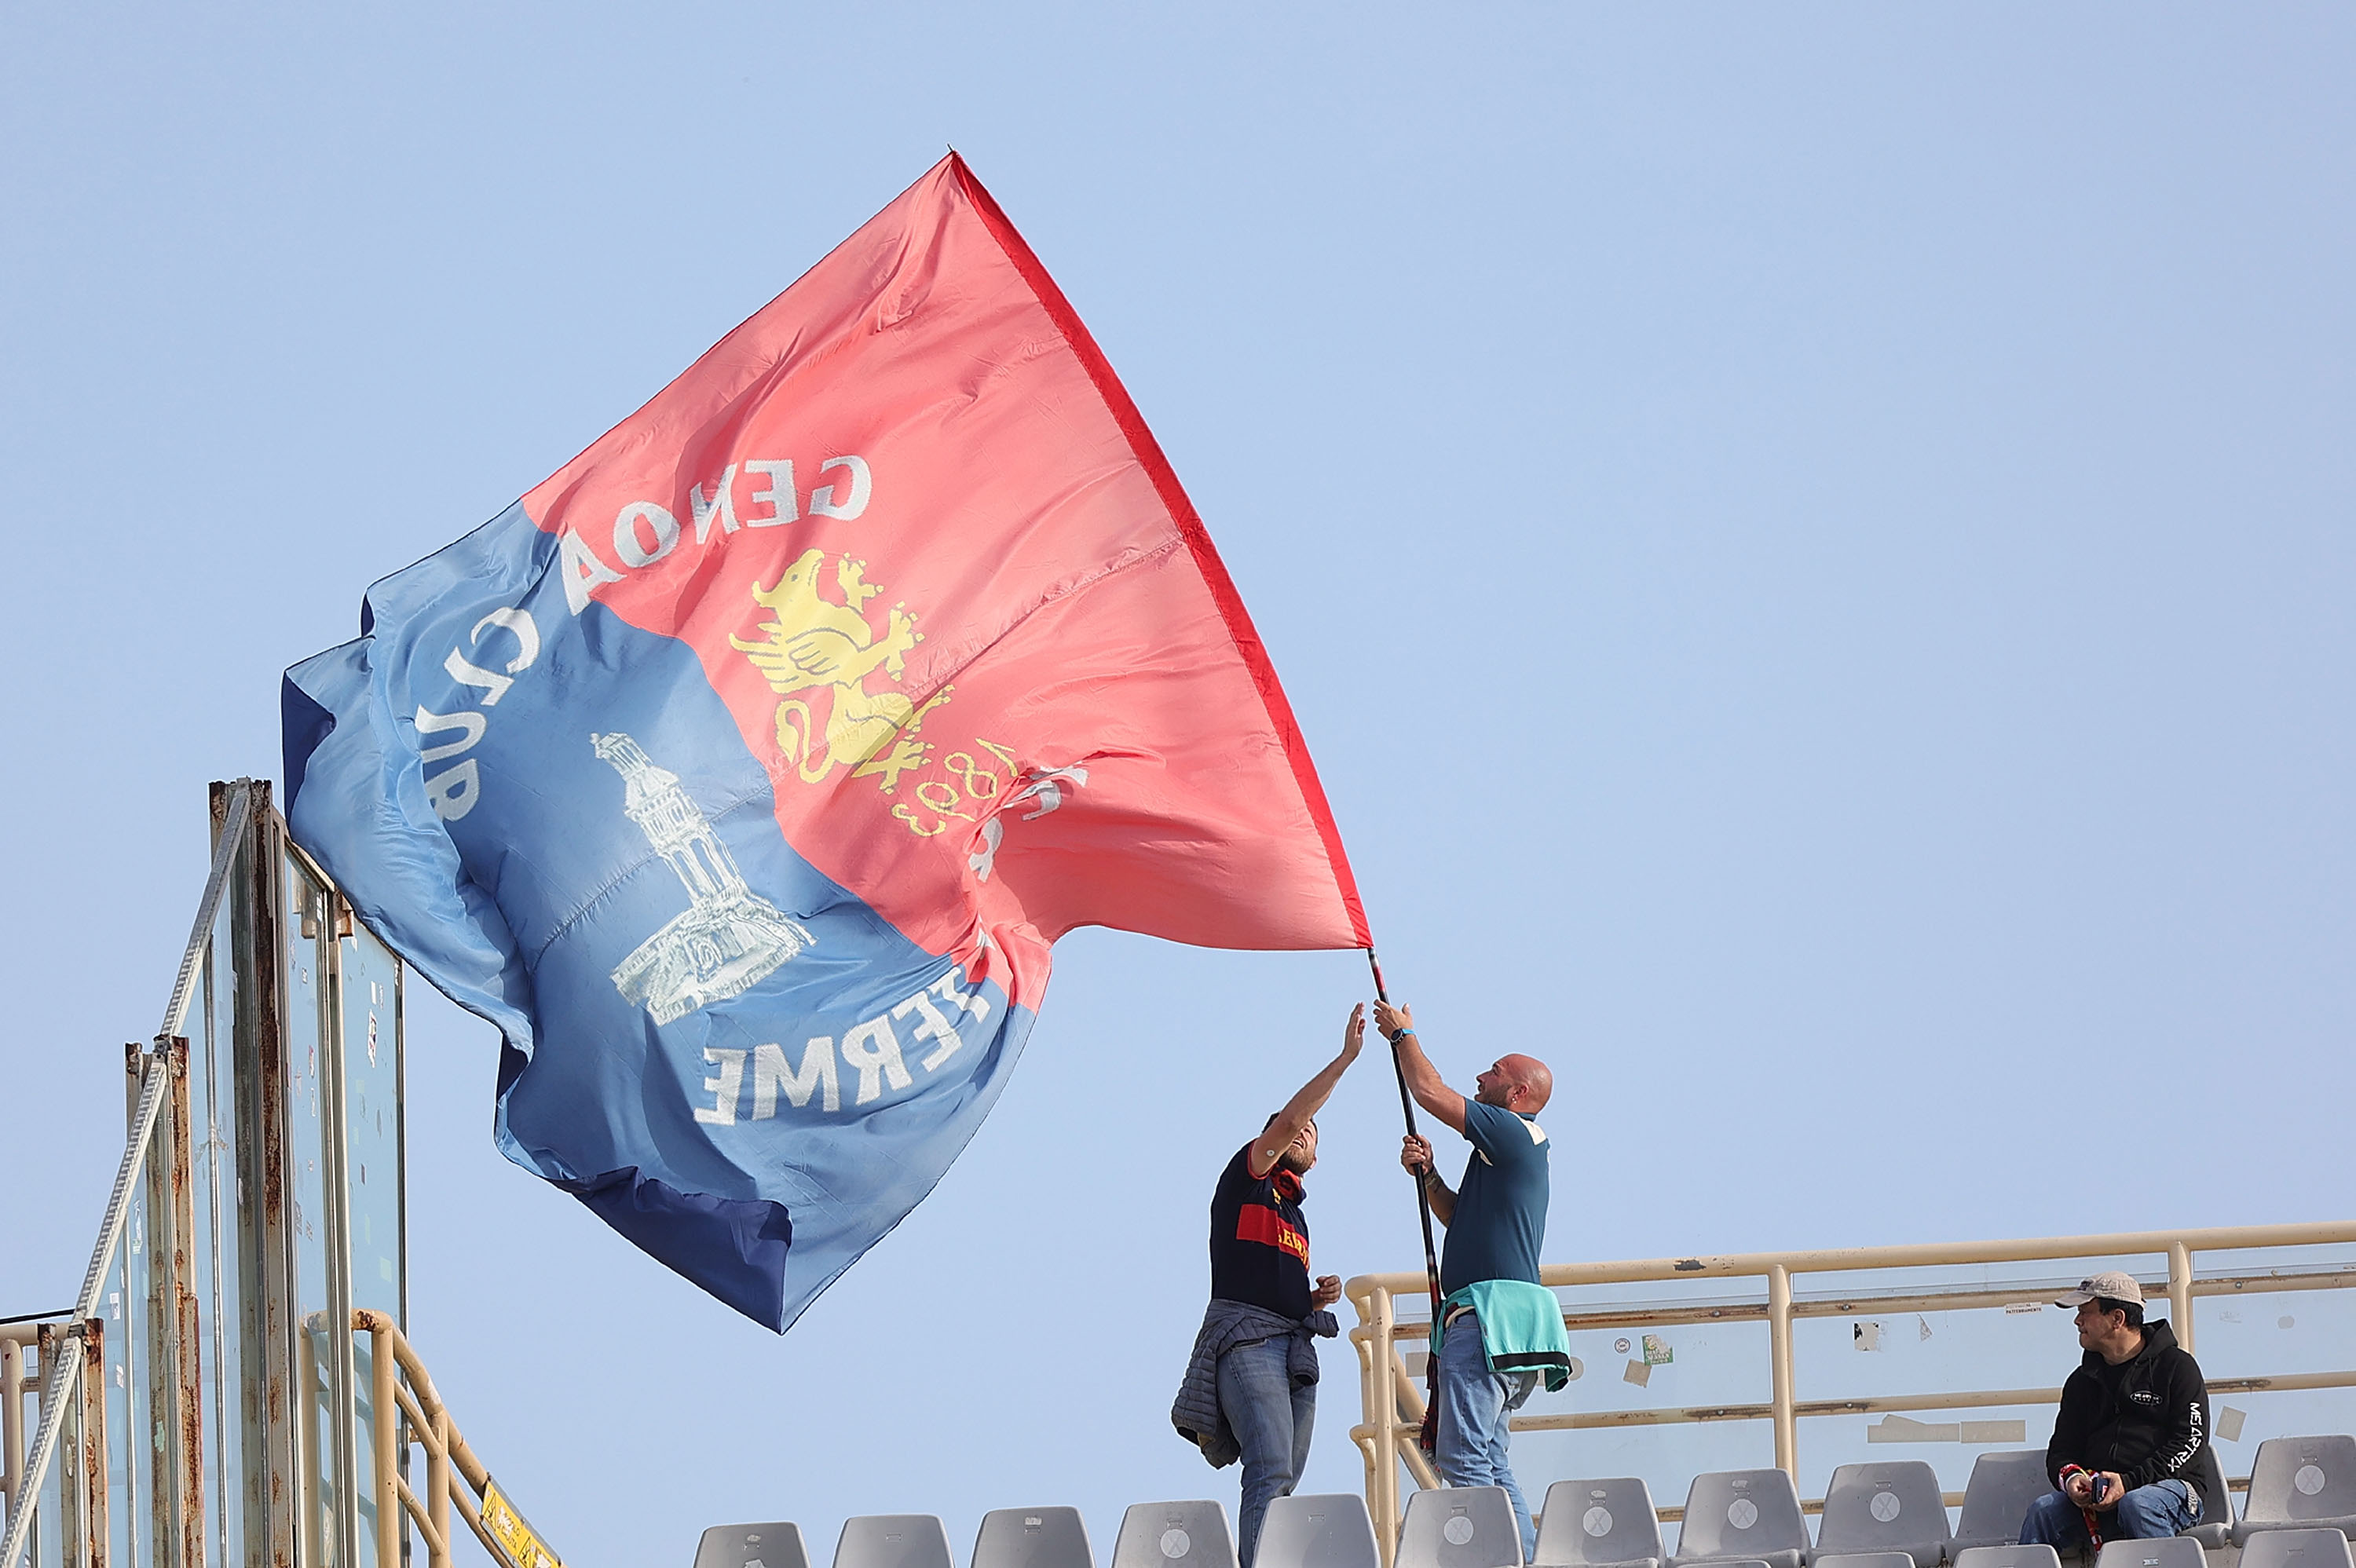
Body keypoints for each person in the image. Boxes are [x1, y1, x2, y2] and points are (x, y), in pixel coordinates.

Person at [1171, 1005, 1366, 1568]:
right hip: (1251, 1342)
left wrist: (1311, 1299)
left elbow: (1263, 1277)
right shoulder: (1247, 1176)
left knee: (1285, 1476)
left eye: (1313, 1131)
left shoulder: (1295, 1213)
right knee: (1271, 1469)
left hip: (1292, 1343)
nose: (1304, 1130)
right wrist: (1346, 1059)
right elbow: (1287, 1123)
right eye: (1295, 1124)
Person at [1383, 1000, 1568, 1561]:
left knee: (1464, 1460)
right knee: (1490, 1457)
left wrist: (1402, 1034)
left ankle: (1488, 1557)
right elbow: (1458, 1216)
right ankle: (1521, 1556)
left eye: (1493, 1072)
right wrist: (1429, 1174)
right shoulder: (1512, 1151)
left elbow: (1429, 1091)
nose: (1481, 1077)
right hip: (1517, 1328)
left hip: (1486, 1321)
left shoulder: (1511, 1131)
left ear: (1516, 1095)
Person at [2020, 1272, 2212, 1549]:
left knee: (2138, 1504)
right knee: (2043, 1511)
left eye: (2085, 1312)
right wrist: (2073, 1477)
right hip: (2099, 1498)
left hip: (2171, 1490)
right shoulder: (2080, 1381)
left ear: (2117, 1319)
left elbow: (2190, 1443)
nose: (2078, 1321)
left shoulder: (2177, 1367)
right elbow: (2062, 1449)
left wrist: (2129, 1483)